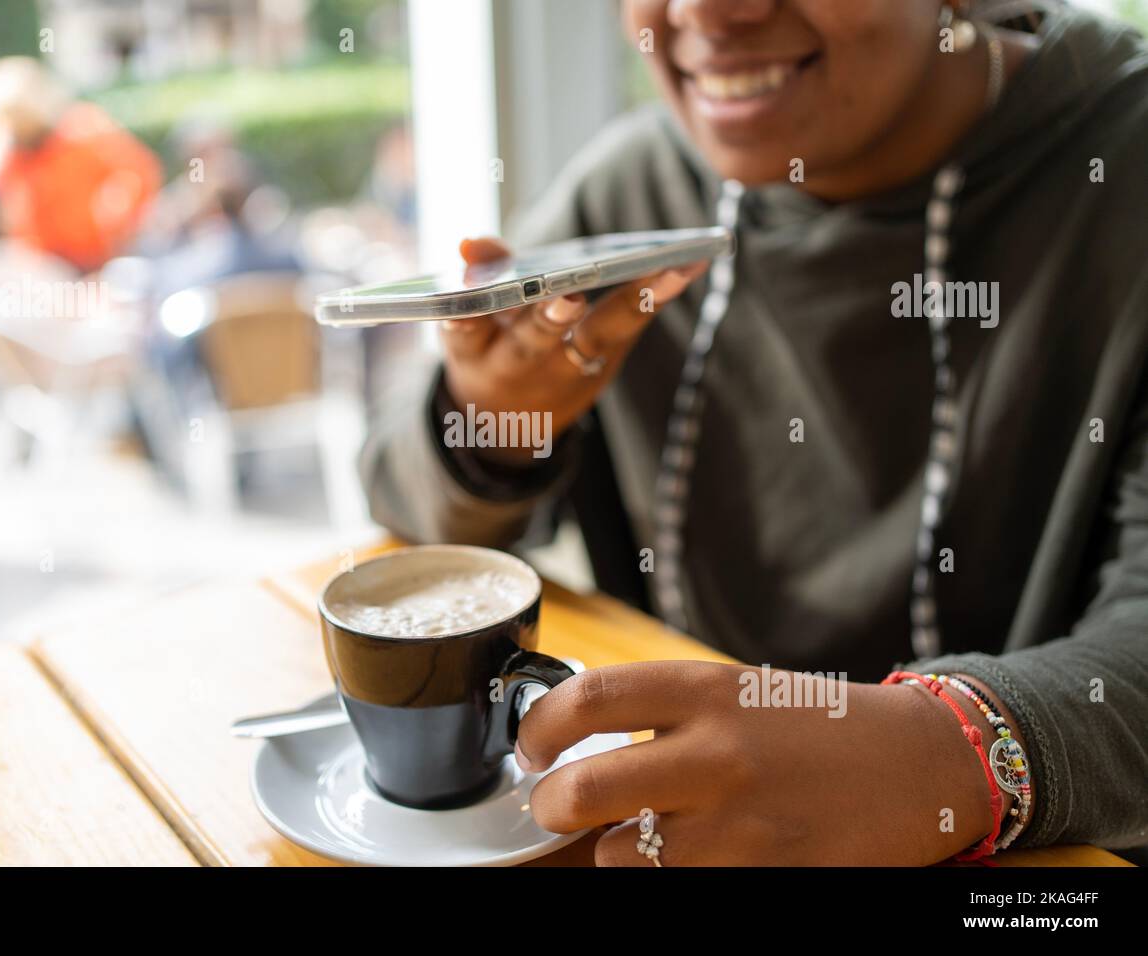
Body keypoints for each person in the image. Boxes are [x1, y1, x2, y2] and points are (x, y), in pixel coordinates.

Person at [360, 0, 1148, 864]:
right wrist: (495, 420)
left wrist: (949, 750)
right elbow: (399, 492)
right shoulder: (636, 193)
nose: (705, 11)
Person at [0, 56, 161, 274]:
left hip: (101, 259)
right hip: (43, 266)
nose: (17, 125)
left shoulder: (81, 129)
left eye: (19, 114)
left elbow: (138, 171)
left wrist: (116, 214)